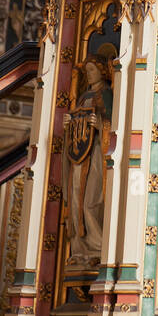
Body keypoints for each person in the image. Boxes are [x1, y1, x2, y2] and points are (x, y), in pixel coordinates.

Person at [61, 54, 115, 266]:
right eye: (87, 71)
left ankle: (96, 247)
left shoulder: (107, 94)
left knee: (91, 200)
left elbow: (115, 124)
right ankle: (80, 249)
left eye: (92, 70)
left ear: (101, 71)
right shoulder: (83, 97)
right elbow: (78, 122)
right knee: (76, 200)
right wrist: (69, 124)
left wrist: (101, 123)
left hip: (96, 155)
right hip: (80, 157)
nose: (89, 74)